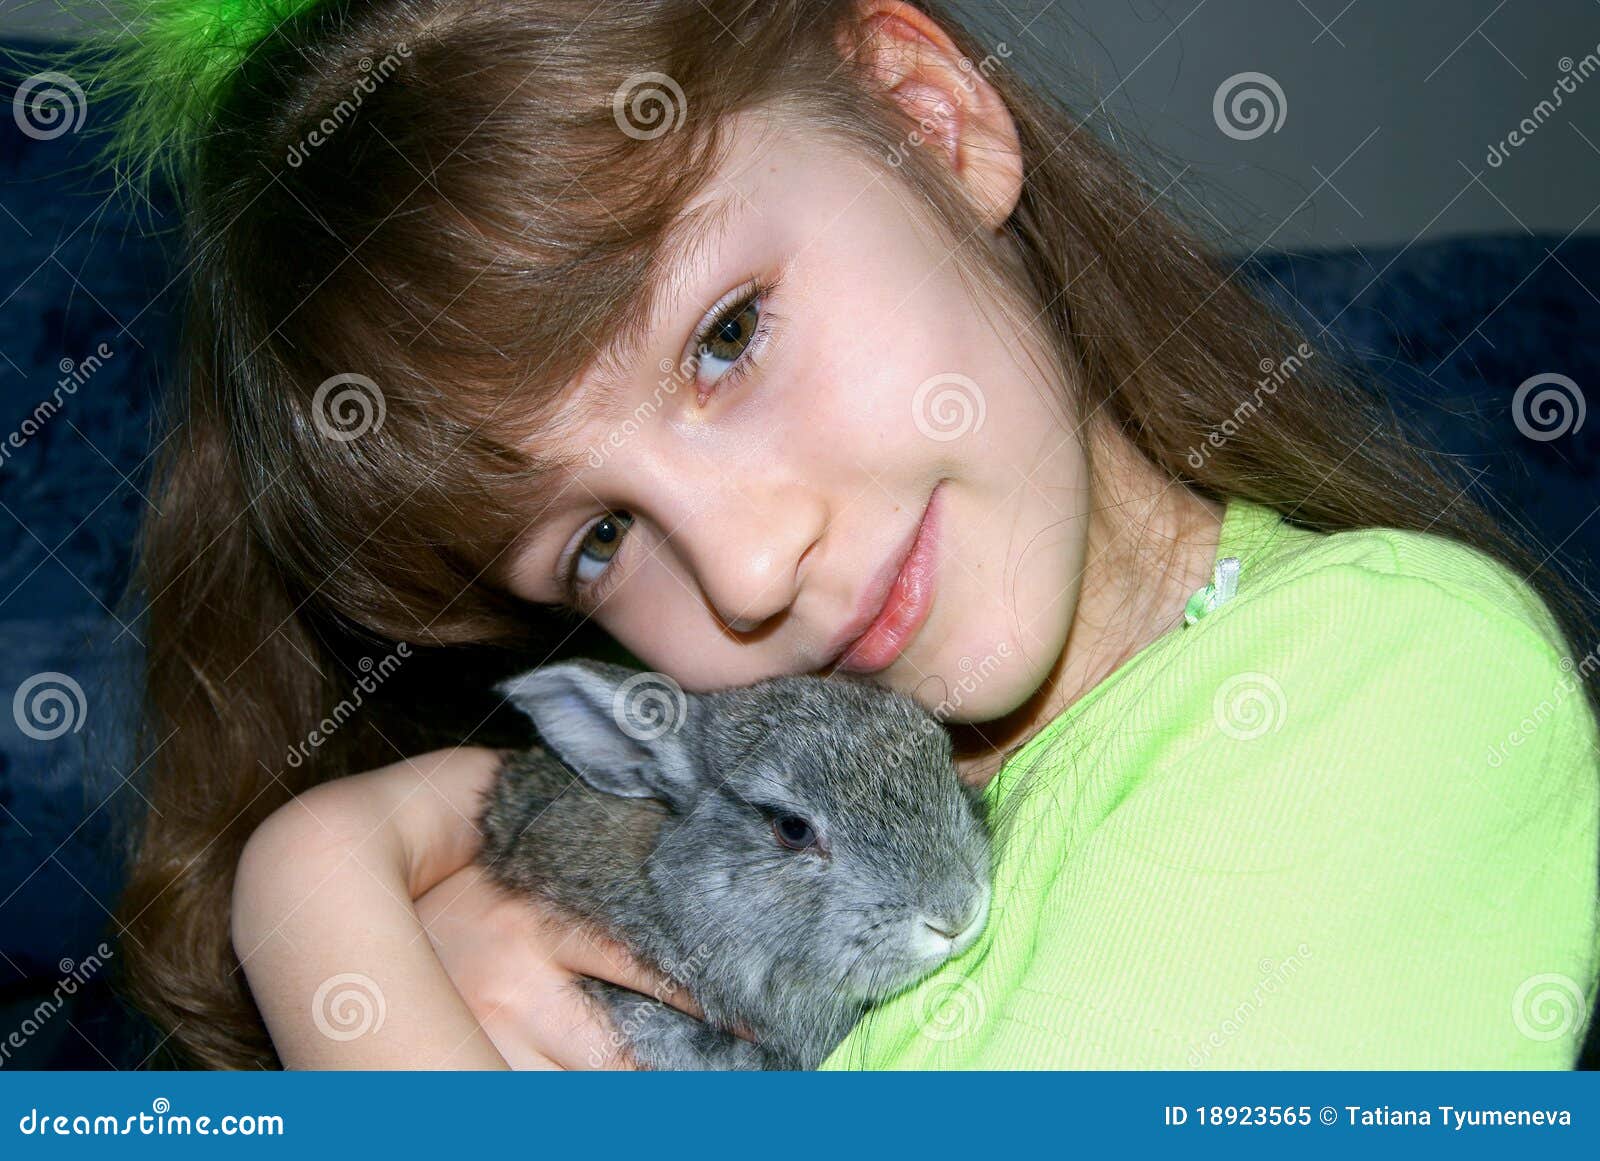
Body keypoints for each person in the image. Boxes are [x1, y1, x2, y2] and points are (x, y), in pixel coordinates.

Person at [71, 0, 1597, 1068]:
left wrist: (326, 905)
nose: (746, 568)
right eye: (600, 540)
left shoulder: (1397, 689)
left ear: (929, 121)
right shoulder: (651, 865)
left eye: (727, 334)